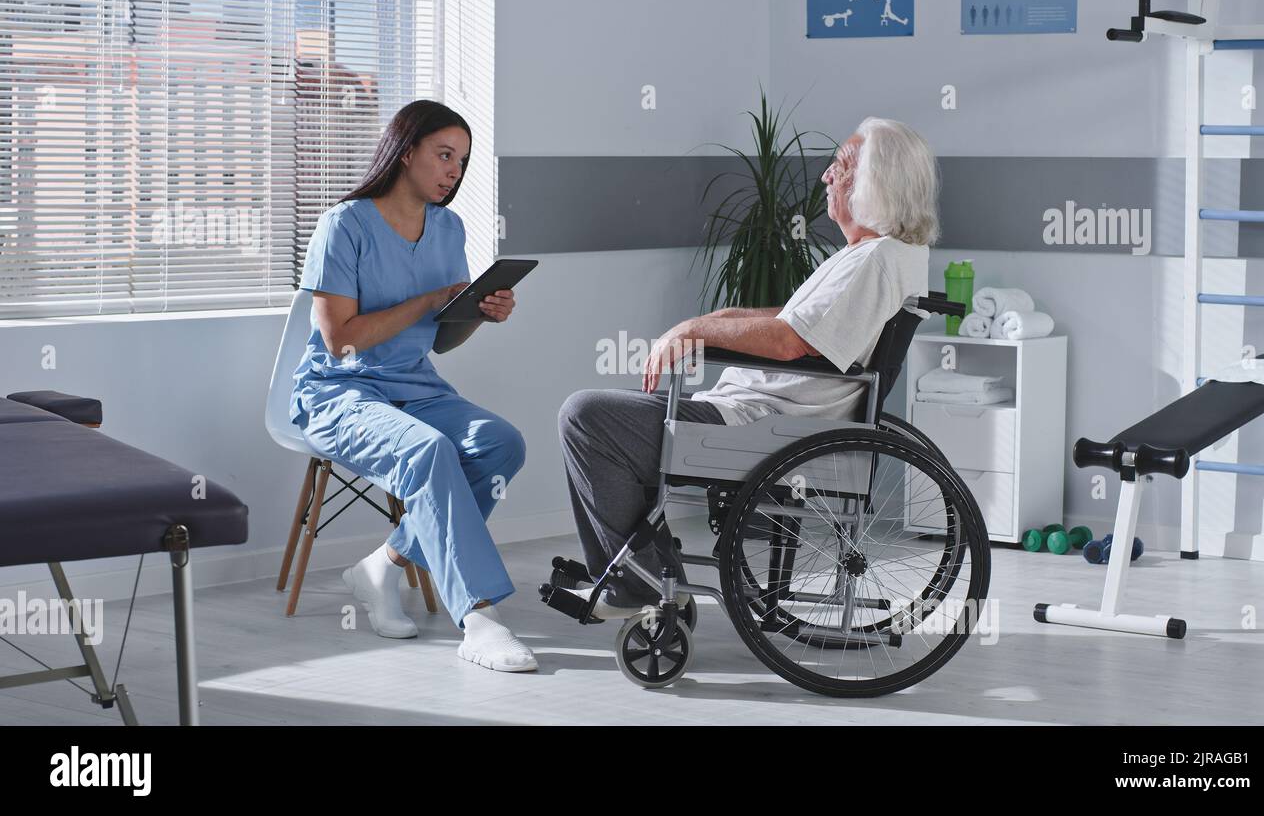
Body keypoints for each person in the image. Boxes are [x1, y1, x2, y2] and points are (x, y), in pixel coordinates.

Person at [558, 117, 939, 619]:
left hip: (765, 426)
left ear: (875, 183)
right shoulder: (878, 255)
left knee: (587, 417)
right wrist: (716, 318)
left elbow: (787, 340)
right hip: (765, 416)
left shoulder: (875, 260)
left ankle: (642, 583)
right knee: (608, 418)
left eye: (840, 167)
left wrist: (693, 332)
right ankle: (648, 573)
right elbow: (795, 321)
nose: (825, 177)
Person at [289, 100, 536, 672]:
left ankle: (384, 566)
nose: (454, 170)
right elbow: (340, 341)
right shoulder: (344, 224)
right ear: (405, 153)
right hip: (338, 392)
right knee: (428, 450)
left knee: (502, 443)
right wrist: (427, 301)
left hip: (416, 385)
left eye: (462, 161)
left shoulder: (449, 229)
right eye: (443, 155)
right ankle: (478, 618)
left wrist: (479, 312)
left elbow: (441, 342)